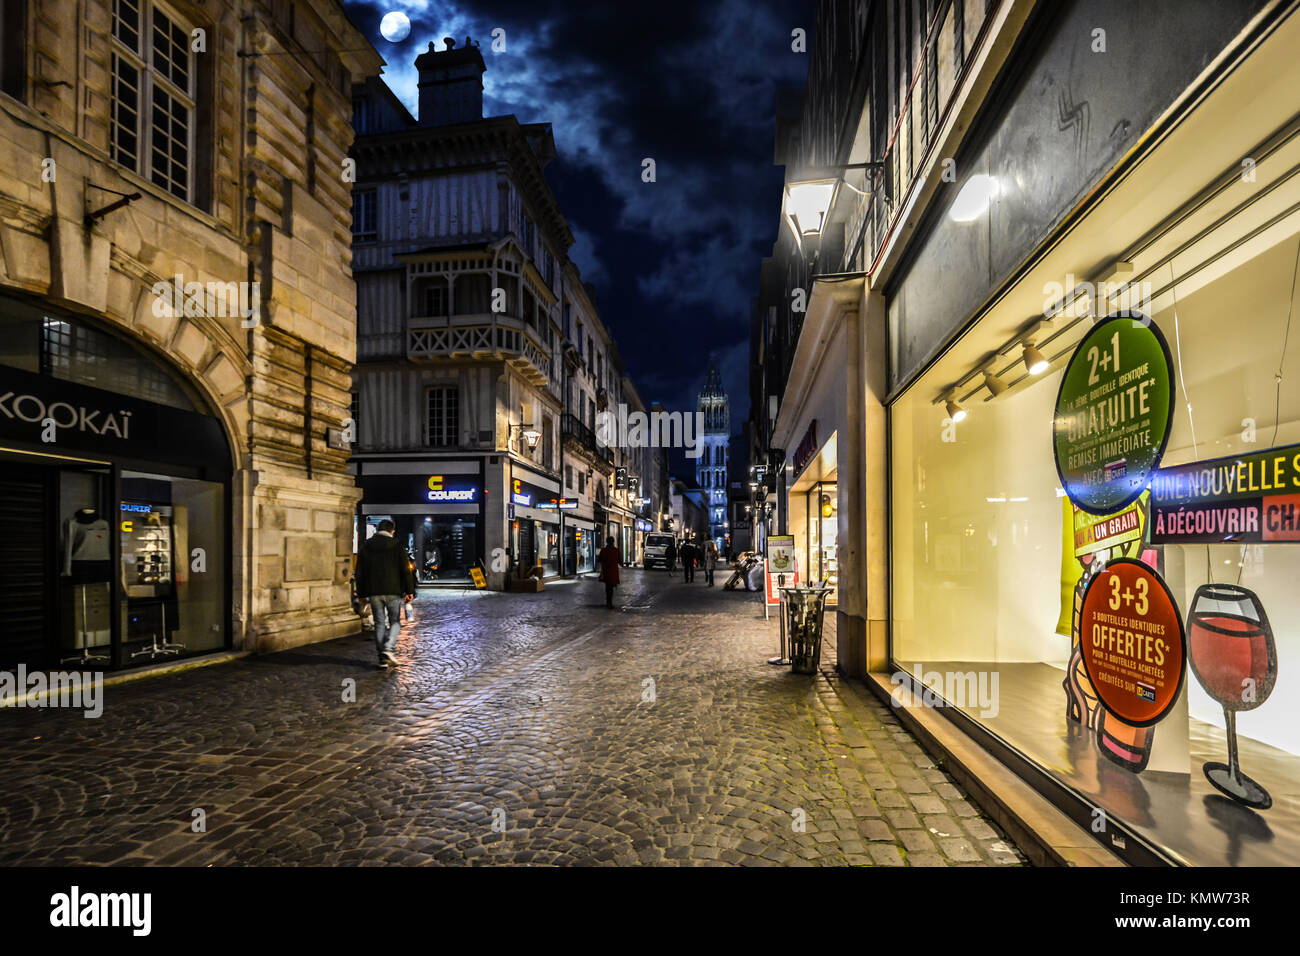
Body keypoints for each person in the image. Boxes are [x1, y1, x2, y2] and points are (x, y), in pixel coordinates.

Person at [355, 519, 416, 669]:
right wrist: (410, 591)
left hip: (374, 591)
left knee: (380, 623)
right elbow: (405, 570)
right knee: (395, 621)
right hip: (393, 590)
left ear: (378, 530)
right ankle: (388, 648)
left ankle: (381, 658)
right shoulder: (397, 545)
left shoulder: (366, 546)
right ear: (392, 531)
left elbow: (360, 572)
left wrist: (361, 593)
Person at [597, 535, 621, 609]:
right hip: (613, 572)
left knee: (607, 587)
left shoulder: (603, 550)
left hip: (606, 571)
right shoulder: (616, 550)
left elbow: (599, 559)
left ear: (606, 542)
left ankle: (608, 602)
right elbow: (620, 561)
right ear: (613, 542)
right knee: (611, 588)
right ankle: (609, 603)